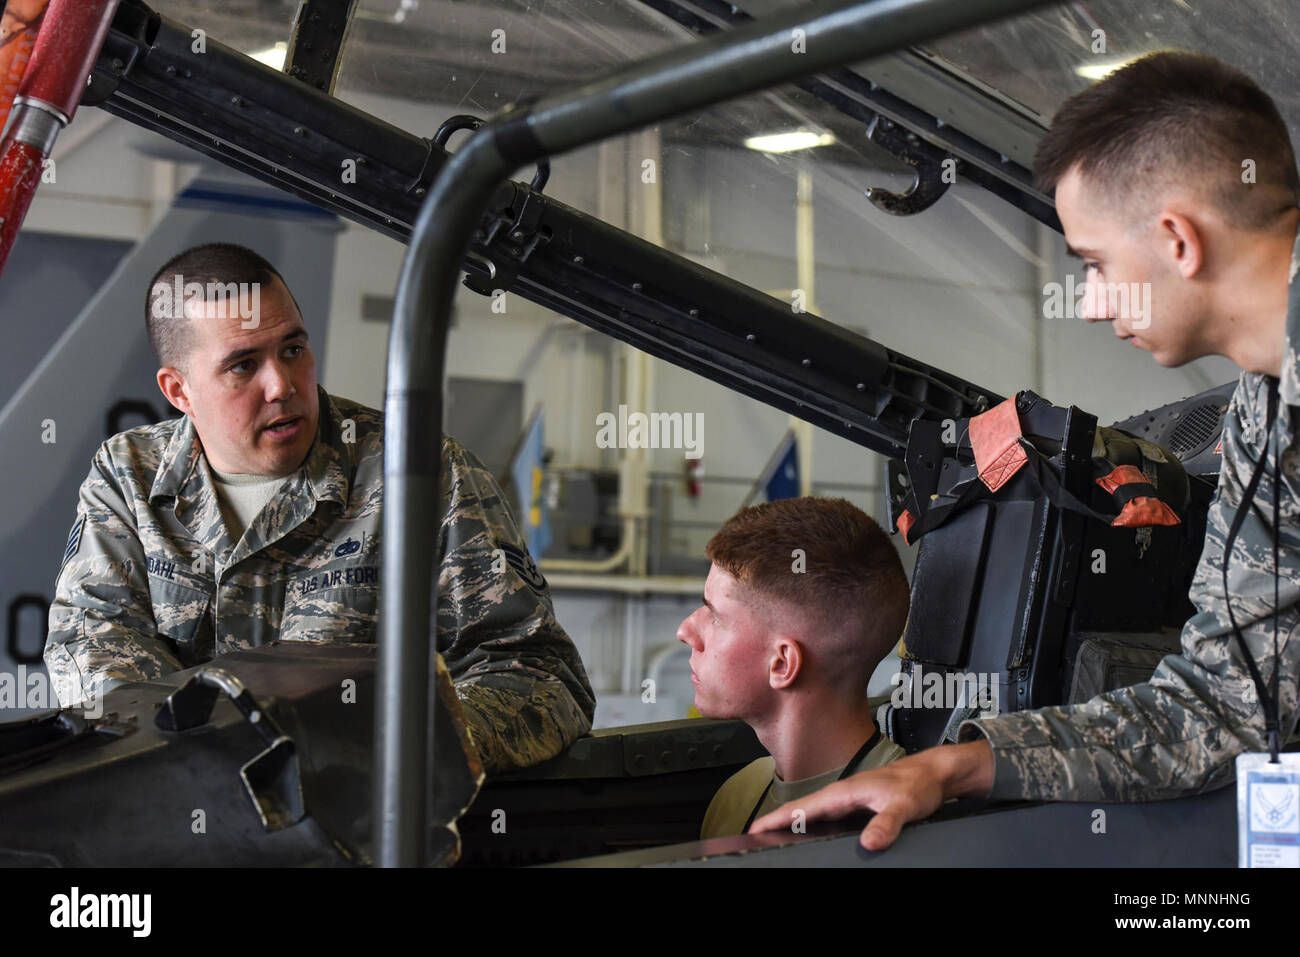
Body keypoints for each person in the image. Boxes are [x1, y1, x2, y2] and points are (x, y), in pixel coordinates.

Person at [751, 51, 1300, 847]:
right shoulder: (1266, 408)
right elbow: (1226, 702)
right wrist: (954, 767)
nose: (1089, 302)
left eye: (1096, 263)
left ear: (1178, 239)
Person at [44, 242, 595, 773]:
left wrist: (393, 749)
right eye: (242, 365)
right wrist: (205, 747)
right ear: (179, 390)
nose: (281, 385)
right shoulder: (130, 475)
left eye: (293, 349)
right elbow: (91, 638)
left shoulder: (420, 471)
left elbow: (539, 674)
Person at [676, 497, 909, 838]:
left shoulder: (904, 819)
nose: (685, 631)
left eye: (715, 616)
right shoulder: (737, 797)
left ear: (782, 663)